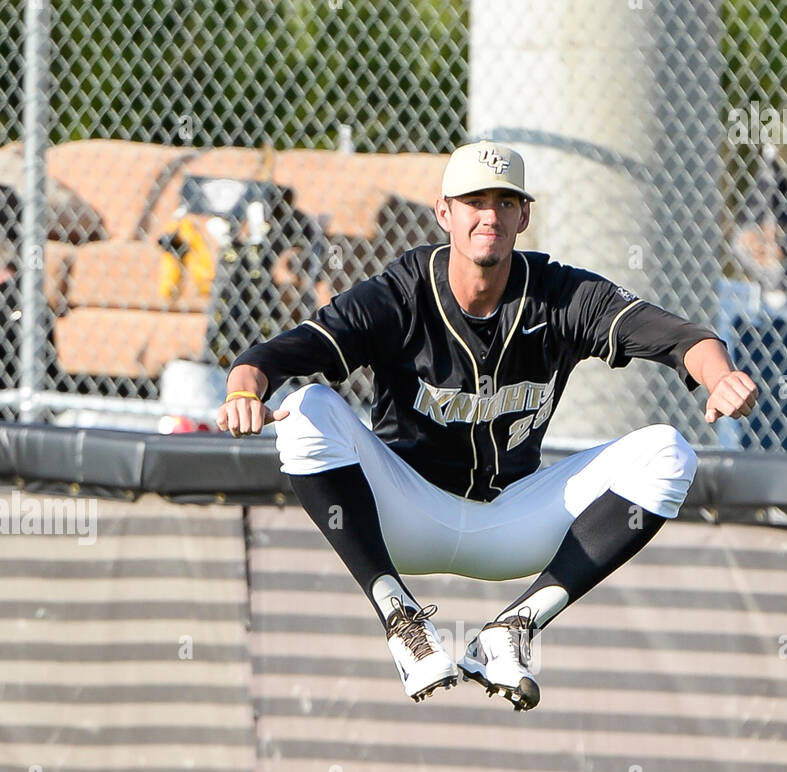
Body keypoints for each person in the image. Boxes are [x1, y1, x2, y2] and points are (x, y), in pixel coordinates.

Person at [218, 141, 758, 710]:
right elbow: (281, 353)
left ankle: (514, 628)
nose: (489, 216)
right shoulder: (402, 292)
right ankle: (400, 615)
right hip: (405, 510)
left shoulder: (560, 293)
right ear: (444, 212)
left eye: (505, 202)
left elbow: (682, 338)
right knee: (307, 409)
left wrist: (718, 374)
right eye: (474, 200)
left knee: (670, 452)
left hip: (514, 520)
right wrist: (242, 390)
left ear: (524, 215)